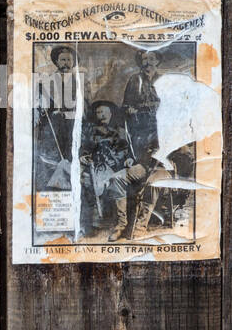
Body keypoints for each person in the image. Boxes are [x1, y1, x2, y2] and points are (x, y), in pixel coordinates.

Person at [80, 100, 150, 241]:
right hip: (96, 166)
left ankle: (119, 223)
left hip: (115, 167)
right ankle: (87, 223)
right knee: (82, 179)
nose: (102, 115)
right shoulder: (91, 131)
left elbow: (129, 151)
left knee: (112, 180)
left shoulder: (120, 131)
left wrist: (129, 159)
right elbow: (84, 147)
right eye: (99, 112)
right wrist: (83, 156)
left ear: (111, 114)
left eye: (104, 112)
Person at [34, 46, 80, 190]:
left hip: (72, 124)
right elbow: (42, 105)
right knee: (52, 158)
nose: (66, 63)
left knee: (71, 153)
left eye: (69, 60)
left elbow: (85, 104)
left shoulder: (79, 82)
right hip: (53, 125)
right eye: (63, 60)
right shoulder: (47, 82)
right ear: (56, 62)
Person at [122, 50, 161, 164]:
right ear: (140, 62)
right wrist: (129, 109)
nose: (148, 62)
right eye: (145, 59)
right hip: (140, 125)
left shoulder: (164, 79)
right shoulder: (134, 80)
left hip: (159, 123)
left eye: (151, 59)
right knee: (140, 157)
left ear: (157, 61)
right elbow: (126, 104)